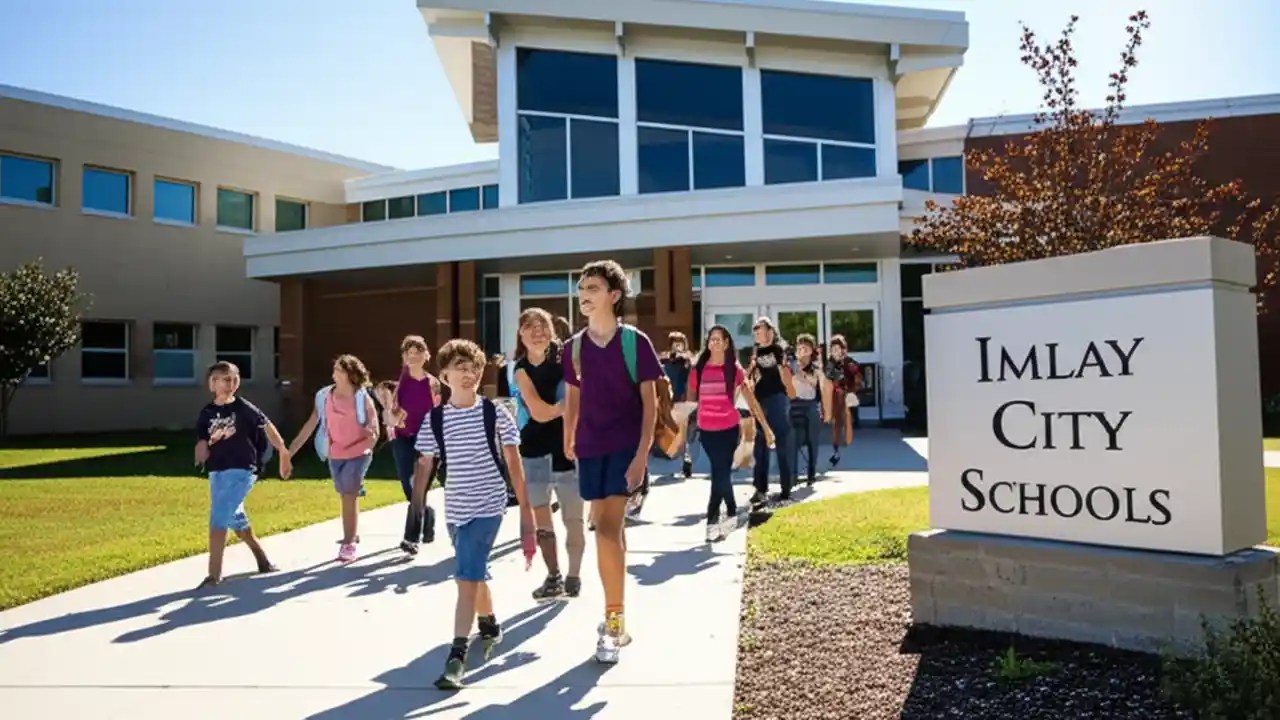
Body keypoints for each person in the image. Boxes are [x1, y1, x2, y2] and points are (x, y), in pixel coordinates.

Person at [412, 339, 535, 690]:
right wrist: (417, 507)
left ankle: (456, 656)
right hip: (456, 509)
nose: (469, 374)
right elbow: (424, 463)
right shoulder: (434, 419)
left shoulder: (494, 413)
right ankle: (490, 622)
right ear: (445, 374)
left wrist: (526, 513)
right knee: (473, 572)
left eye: (475, 369)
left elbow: (514, 462)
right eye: (461, 368)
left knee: (465, 577)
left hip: (489, 505)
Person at [563, 259, 662, 664]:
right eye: (581, 288)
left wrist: (641, 457)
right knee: (609, 531)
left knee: (604, 531)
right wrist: (569, 437)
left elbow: (650, 404)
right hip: (589, 448)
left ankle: (614, 623)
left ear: (614, 296)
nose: (583, 294)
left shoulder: (634, 342)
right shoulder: (573, 347)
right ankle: (616, 616)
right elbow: (572, 397)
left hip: (624, 447)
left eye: (593, 288)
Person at [193, 361, 291, 588]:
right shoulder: (207, 413)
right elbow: (201, 438)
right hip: (217, 472)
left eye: (235, 379)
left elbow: (267, 427)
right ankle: (263, 560)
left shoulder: (244, 408)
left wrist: (283, 451)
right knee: (237, 521)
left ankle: (213, 574)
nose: (231, 384)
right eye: (226, 379)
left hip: (243, 470)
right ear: (213, 383)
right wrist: (201, 449)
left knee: (218, 519)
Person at [512, 308, 585, 601]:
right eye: (529, 326)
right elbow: (539, 413)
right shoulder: (520, 370)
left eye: (542, 324)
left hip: (569, 452)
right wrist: (564, 405)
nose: (537, 331)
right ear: (521, 334)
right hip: (534, 454)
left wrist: (565, 404)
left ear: (551, 330)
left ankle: (574, 576)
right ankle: (553, 575)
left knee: (574, 519)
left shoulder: (566, 359)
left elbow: (582, 393)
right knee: (543, 520)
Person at [287, 355, 379, 563]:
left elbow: (374, 430)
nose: (333, 373)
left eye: (338, 369)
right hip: (335, 453)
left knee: (348, 495)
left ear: (349, 374)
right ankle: (352, 530)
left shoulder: (361, 397)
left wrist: (367, 443)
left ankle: (348, 544)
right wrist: (289, 452)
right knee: (346, 494)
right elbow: (311, 424)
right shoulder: (324, 396)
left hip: (359, 453)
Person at [687, 326, 747, 542]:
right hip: (708, 429)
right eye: (711, 339)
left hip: (730, 428)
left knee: (720, 472)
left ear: (727, 343)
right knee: (720, 472)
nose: (714, 343)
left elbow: (746, 397)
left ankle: (718, 519)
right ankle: (727, 513)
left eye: (718, 340)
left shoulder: (735, 369)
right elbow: (691, 398)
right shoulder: (699, 368)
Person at [390, 335, 438, 556]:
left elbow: (437, 413)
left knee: (418, 487)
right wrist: (393, 418)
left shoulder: (433, 383)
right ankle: (427, 514)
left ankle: (411, 538)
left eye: (417, 351)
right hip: (403, 438)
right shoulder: (400, 383)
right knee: (409, 487)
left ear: (425, 355)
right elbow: (391, 411)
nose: (413, 356)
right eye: (408, 352)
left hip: (427, 440)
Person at [748, 317, 795, 506]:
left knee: (781, 440)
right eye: (755, 329)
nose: (756, 332)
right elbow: (753, 373)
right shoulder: (756, 351)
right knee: (760, 445)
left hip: (777, 398)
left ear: (769, 330)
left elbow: (785, 373)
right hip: (761, 400)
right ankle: (760, 488)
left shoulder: (779, 349)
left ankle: (786, 488)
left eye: (759, 328)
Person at [789, 334, 827, 486]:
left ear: (811, 350)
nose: (801, 351)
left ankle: (811, 474)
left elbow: (814, 383)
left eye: (805, 348)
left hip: (810, 405)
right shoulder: (791, 365)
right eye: (799, 348)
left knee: (813, 442)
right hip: (794, 405)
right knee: (794, 442)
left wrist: (801, 373)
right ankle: (793, 476)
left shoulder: (816, 368)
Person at [826, 335, 862, 466]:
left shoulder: (849, 362)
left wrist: (851, 390)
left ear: (843, 349)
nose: (835, 351)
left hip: (847, 397)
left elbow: (857, 379)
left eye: (837, 348)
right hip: (835, 397)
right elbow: (827, 379)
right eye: (833, 349)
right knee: (836, 424)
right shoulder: (830, 363)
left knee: (846, 421)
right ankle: (836, 451)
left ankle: (848, 440)